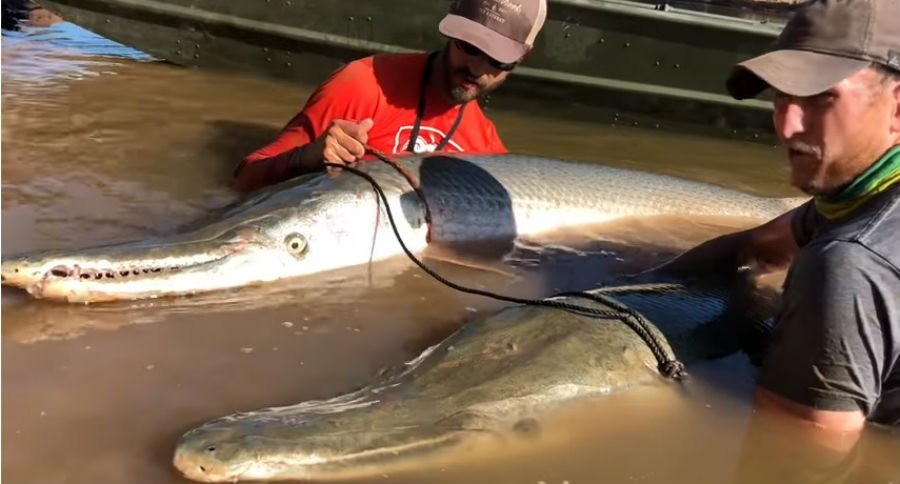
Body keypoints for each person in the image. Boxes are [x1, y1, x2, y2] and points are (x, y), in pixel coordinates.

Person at [655, 0, 899, 433]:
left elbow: (794, 461)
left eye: (821, 97)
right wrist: (636, 281)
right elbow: (759, 248)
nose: (786, 126)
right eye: (782, 96)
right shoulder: (861, 198)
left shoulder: (849, 263)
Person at [233, 0, 547, 193]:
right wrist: (309, 156)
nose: (477, 69)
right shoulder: (362, 85)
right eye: (471, 46)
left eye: (498, 60)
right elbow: (245, 178)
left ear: (522, 58)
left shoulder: (488, 152)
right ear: (452, 29)